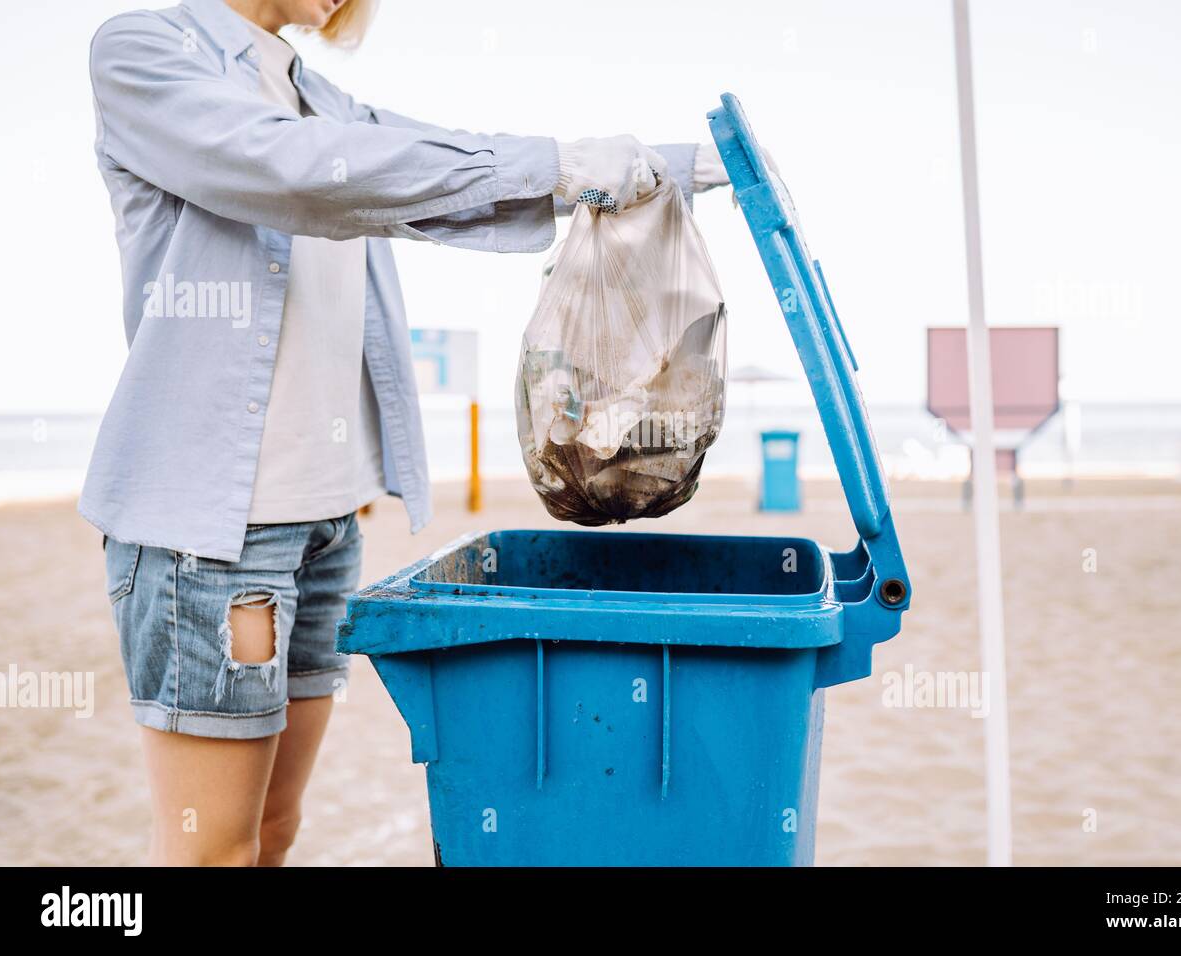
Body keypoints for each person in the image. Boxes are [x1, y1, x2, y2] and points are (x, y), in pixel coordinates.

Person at [85, 0, 731, 865]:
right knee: (212, 850)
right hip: (215, 539)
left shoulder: (319, 97)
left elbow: (437, 186)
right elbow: (293, 173)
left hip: (324, 524)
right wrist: (555, 162)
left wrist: (670, 167)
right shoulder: (144, 51)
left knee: (273, 830)